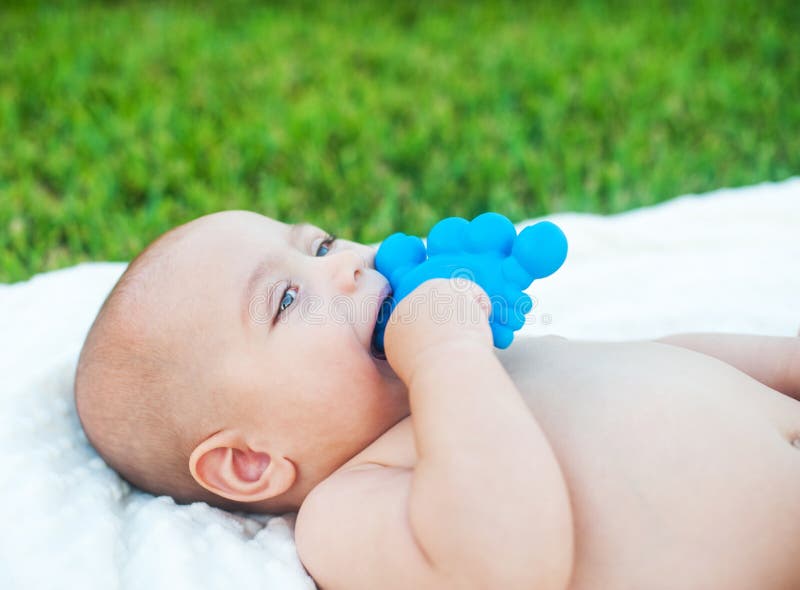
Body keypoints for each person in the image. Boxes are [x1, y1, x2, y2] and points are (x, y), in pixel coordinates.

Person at [74, 210, 800, 589]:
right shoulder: (350, 506)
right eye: (289, 298)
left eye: (322, 245)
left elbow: (655, 365)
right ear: (249, 463)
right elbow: (508, 567)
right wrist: (448, 355)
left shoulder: (489, 365)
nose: (354, 265)